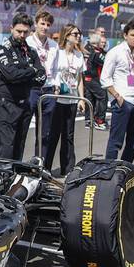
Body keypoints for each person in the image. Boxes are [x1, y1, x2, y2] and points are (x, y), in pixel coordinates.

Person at [0, 13, 46, 160]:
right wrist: (31, 71)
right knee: (6, 147)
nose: (22, 35)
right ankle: (2, 179)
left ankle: (15, 179)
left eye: (25, 32)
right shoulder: (2, 49)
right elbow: (12, 75)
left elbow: (42, 77)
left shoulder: (31, 51)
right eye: (19, 31)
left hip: (25, 104)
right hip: (6, 104)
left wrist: (26, 73)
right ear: (11, 29)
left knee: (19, 145)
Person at [100, 22, 134, 163]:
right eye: (133, 35)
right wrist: (117, 97)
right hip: (122, 100)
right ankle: (108, 171)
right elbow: (104, 78)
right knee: (116, 142)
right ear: (125, 35)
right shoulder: (115, 52)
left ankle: (123, 171)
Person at [47, 24, 87, 174]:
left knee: (69, 135)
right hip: (58, 99)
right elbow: (51, 72)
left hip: (72, 99)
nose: (78, 36)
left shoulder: (79, 55)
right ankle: (46, 167)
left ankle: (68, 168)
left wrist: (81, 98)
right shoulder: (58, 52)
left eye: (79, 34)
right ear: (67, 35)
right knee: (53, 134)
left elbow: (80, 79)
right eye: (75, 34)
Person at [27, 11, 57, 159]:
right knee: (23, 127)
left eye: (48, 24)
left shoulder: (54, 45)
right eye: (42, 23)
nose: (45, 27)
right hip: (32, 89)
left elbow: (56, 68)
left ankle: (40, 164)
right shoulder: (28, 42)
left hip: (49, 91)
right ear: (35, 24)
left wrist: (56, 85)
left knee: (45, 133)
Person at [83, 28, 108, 129]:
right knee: (103, 96)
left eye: (104, 43)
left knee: (91, 99)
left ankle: (89, 120)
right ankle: (99, 120)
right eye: (102, 42)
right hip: (93, 78)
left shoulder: (90, 50)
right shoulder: (97, 53)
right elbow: (106, 63)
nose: (103, 44)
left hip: (88, 78)